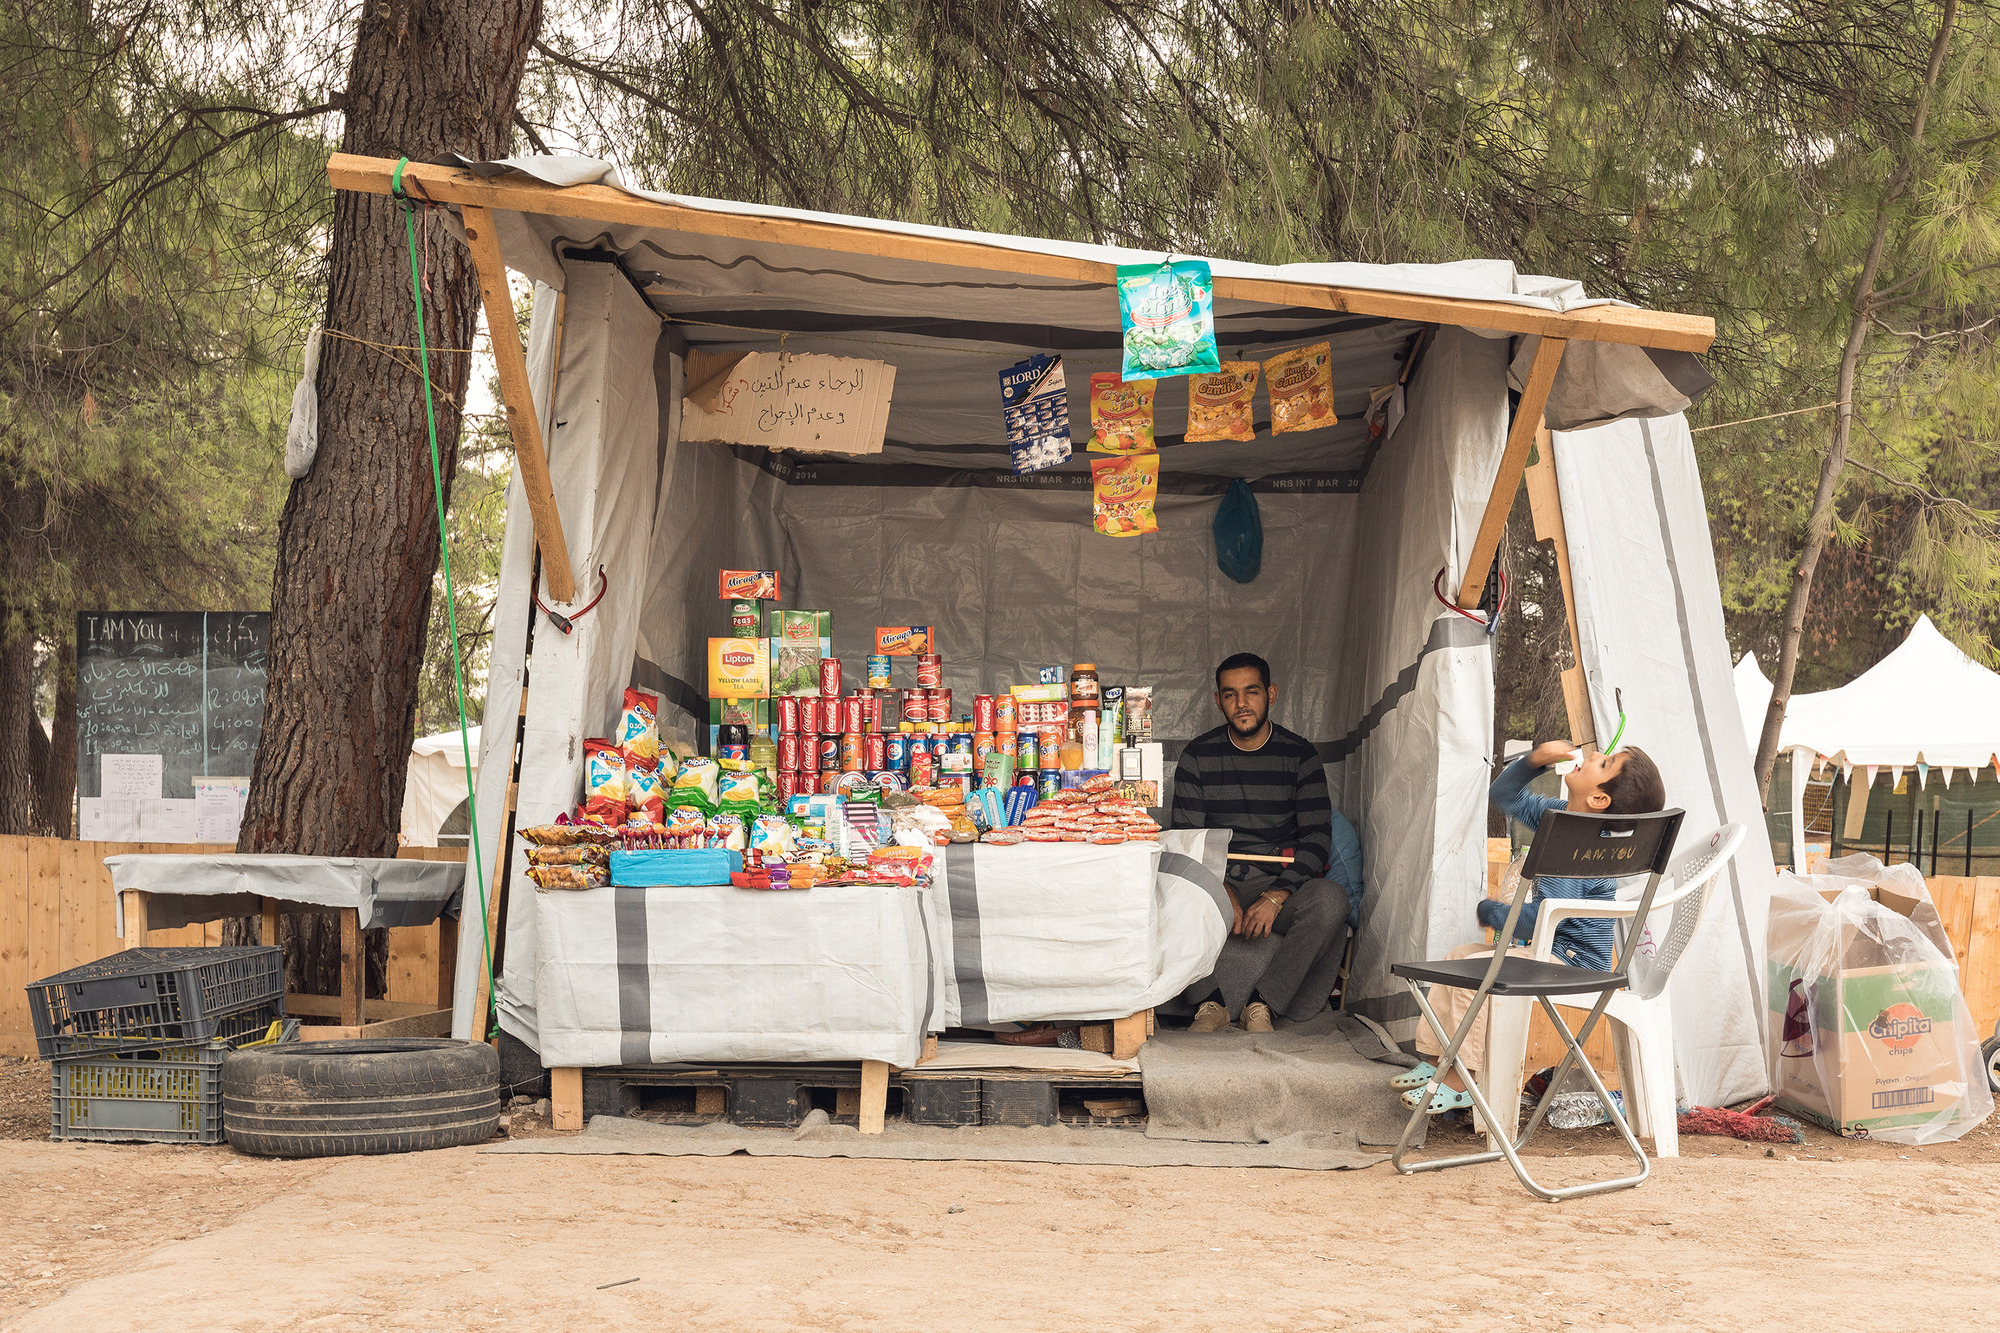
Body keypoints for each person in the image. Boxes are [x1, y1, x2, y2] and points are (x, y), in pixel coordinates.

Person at [1392, 738, 1667, 1114]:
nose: (1593, 756)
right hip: (1549, 950)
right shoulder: (1558, 815)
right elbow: (1503, 795)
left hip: (1572, 962)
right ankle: (1439, 1058)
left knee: (1477, 974)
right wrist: (1534, 760)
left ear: (1600, 800)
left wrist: (1493, 912)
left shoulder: (1580, 845)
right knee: (1457, 959)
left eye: (1604, 764)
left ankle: (1461, 1080)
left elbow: (1541, 918)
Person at [1170, 652, 1362, 1033]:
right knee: (1163, 887)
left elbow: (1316, 840)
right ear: (1217, 700)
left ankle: (1263, 1005)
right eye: (1230, 695)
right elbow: (1186, 841)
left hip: (1278, 879)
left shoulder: (1300, 755)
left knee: (1331, 900)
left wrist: (1276, 897)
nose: (1241, 704)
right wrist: (1220, 890)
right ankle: (1211, 1003)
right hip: (1216, 878)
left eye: (1251, 692)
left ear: (1270, 694)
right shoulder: (1197, 756)